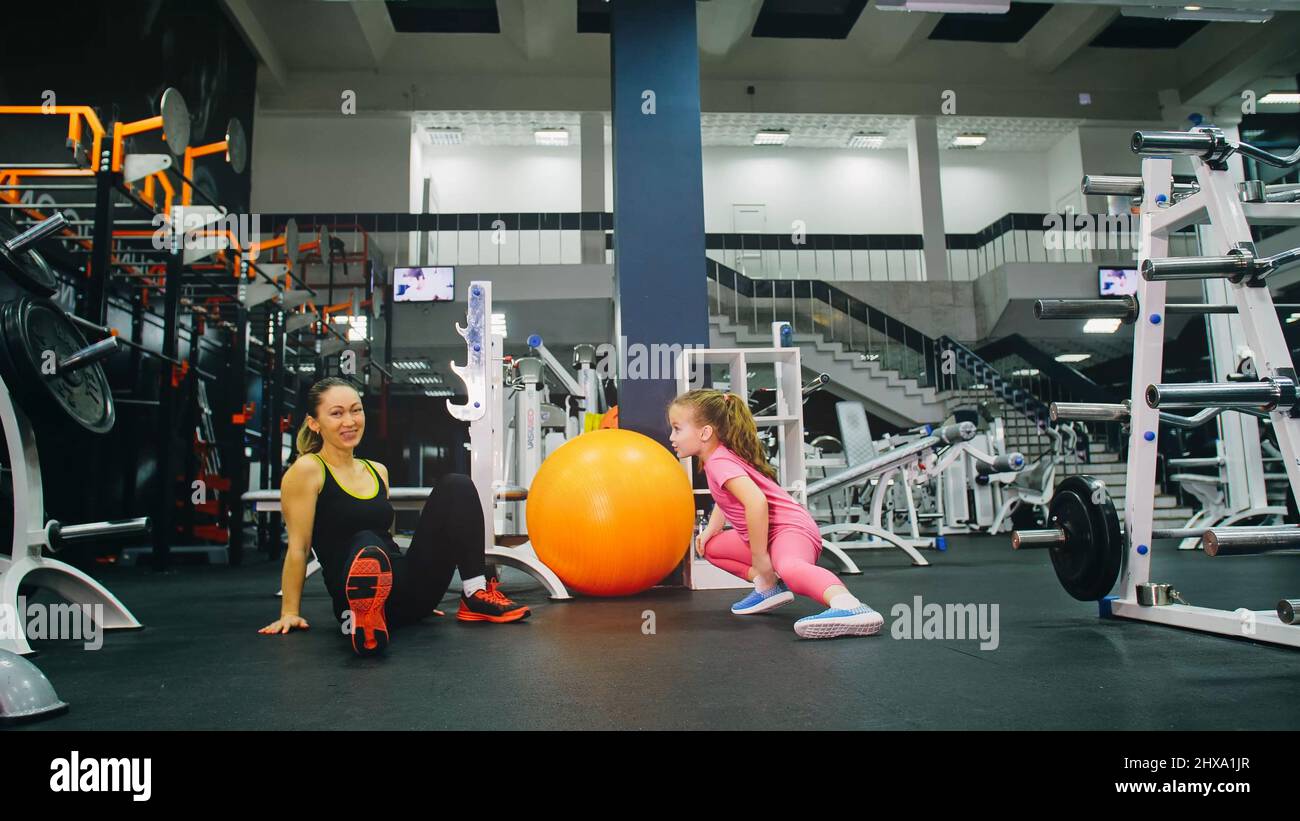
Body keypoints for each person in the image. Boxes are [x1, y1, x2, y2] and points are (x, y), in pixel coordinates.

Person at [259, 377, 529, 656]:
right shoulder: (307, 470)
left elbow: (387, 537)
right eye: (336, 413)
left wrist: (424, 578)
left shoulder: (377, 470)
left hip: (406, 589)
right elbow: (298, 547)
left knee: (456, 484)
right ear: (314, 423)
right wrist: (289, 611)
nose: (350, 421)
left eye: (356, 410)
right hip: (351, 597)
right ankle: (367, 615)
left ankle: (474, 592)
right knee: (365, 542)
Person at [668, 389, 883, 639]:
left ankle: (850, 606)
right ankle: (769, 587)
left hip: (790, 529)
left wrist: (760, 558)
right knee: (712, 547)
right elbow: (725, 498)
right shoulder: (717, 457)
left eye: (677, 428)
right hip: (768, 534)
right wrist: (711, 529)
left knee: (790, 567)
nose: (672, 437)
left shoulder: (719, 462)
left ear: (705, 432)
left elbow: (756, 503)